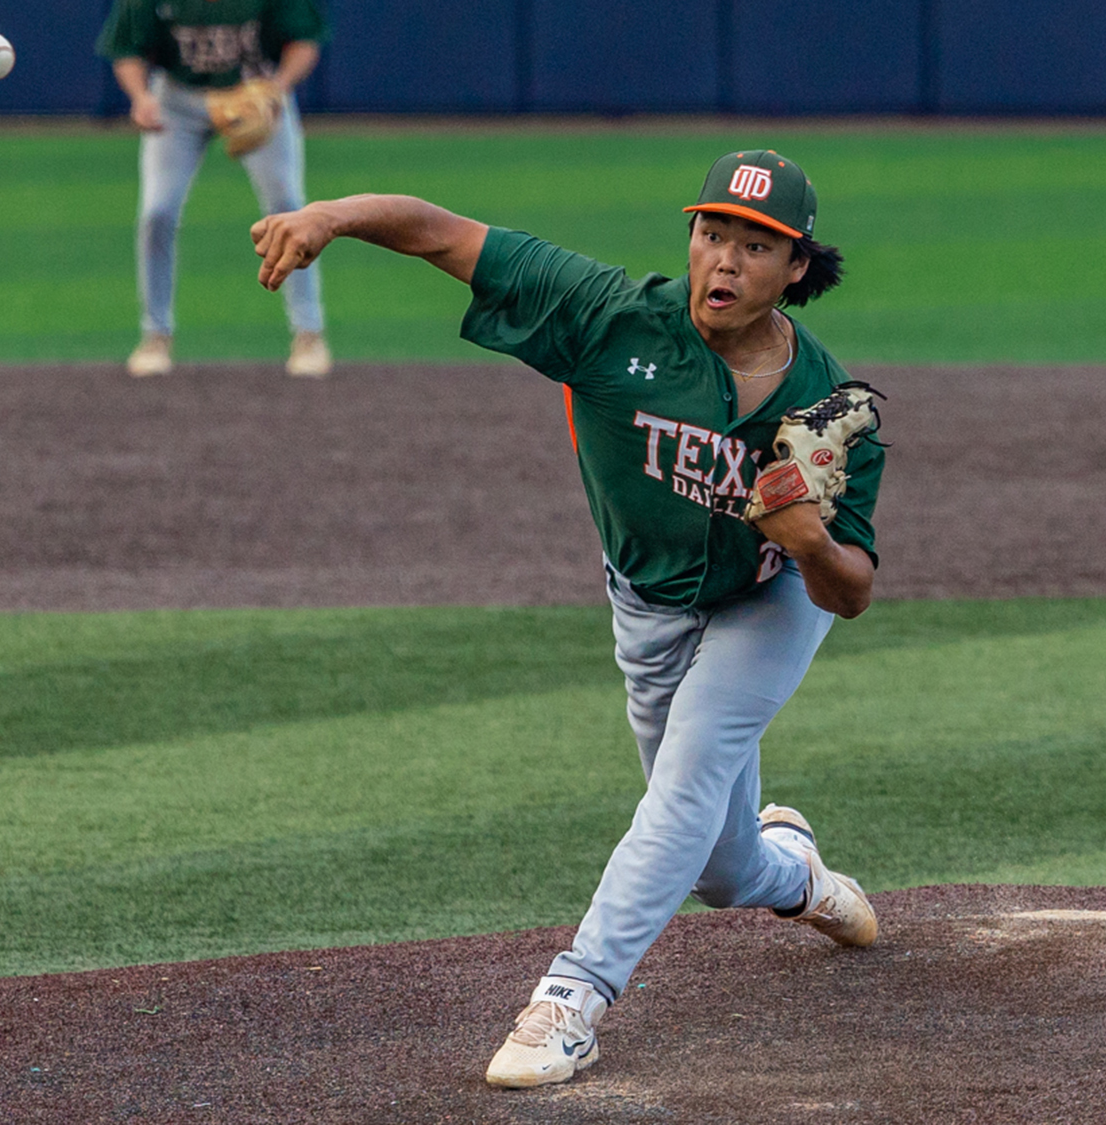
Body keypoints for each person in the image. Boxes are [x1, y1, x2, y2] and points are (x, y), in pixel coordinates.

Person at [250, 150, 885, 1088]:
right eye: (713, 234)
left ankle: (570, 999)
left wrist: (809, 545)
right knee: (717, 867)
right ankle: (796, 874)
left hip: (769, 601)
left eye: (756, 247)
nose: (724, 261)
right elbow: (445, 235)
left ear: (796, 267)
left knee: (684, 784)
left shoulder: (829, 406)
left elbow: (852, 589)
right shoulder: (607, 317)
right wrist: (334, 215)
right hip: (649, 604)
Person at [97, 0, 332, 378]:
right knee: (157, 212)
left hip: (254, 95)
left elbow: (304, 41)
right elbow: (127, 49)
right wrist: (140, 97)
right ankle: (155, 336)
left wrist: (278, 88)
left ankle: (309, 334)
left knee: (289, 207)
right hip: (178, 102)